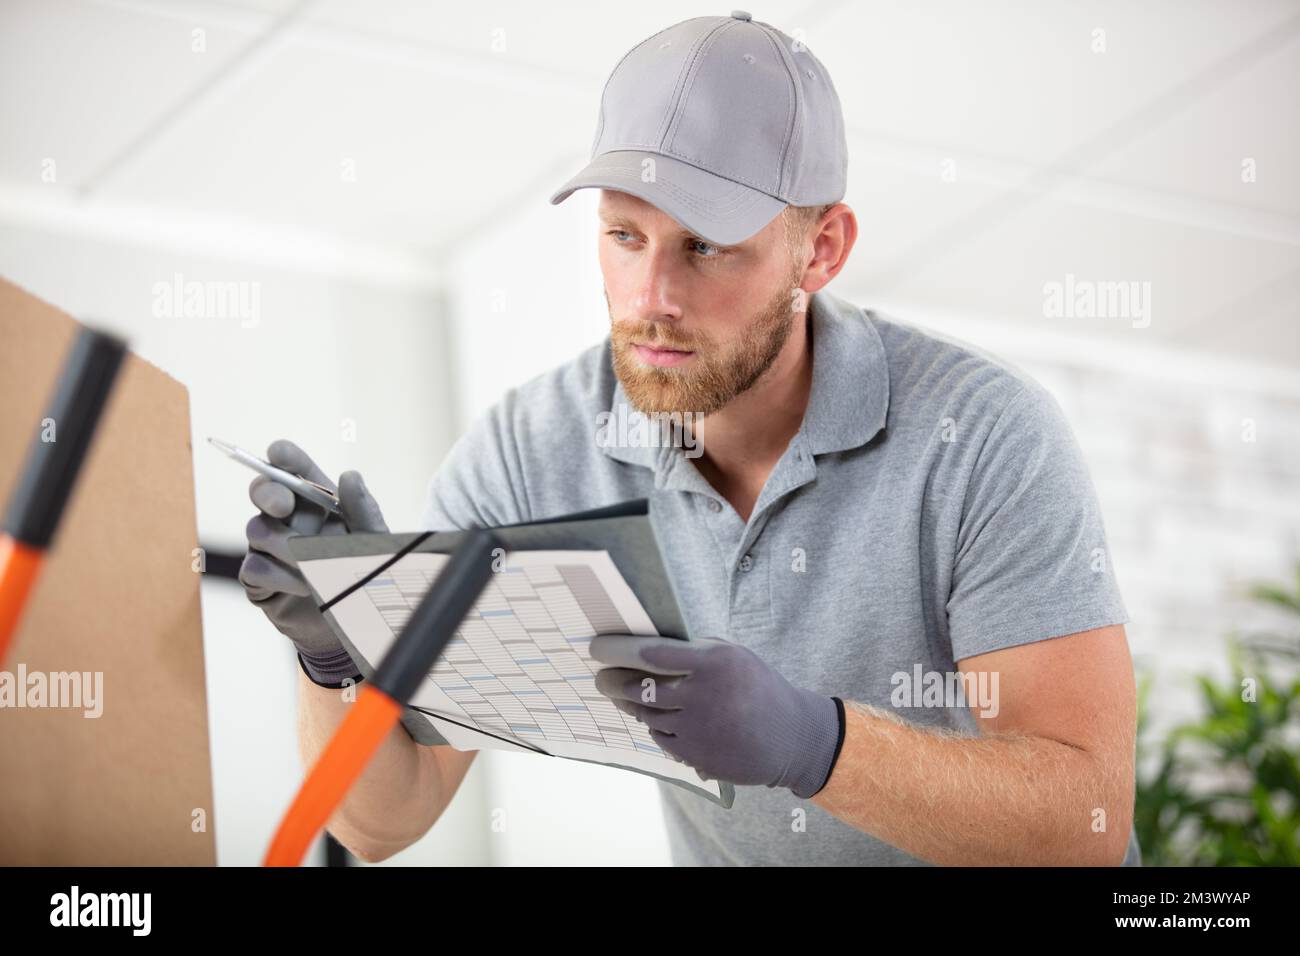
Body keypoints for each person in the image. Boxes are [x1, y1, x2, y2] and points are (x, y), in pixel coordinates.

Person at [240, 12, 1141, 866]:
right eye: (625, 236)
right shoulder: (532, 452)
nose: (651, 297)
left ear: (820, 249)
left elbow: (1085, 822)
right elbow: (384, 821)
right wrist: (335, 653)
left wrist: (814, 742)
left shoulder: (982, 437)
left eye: (705, 247)